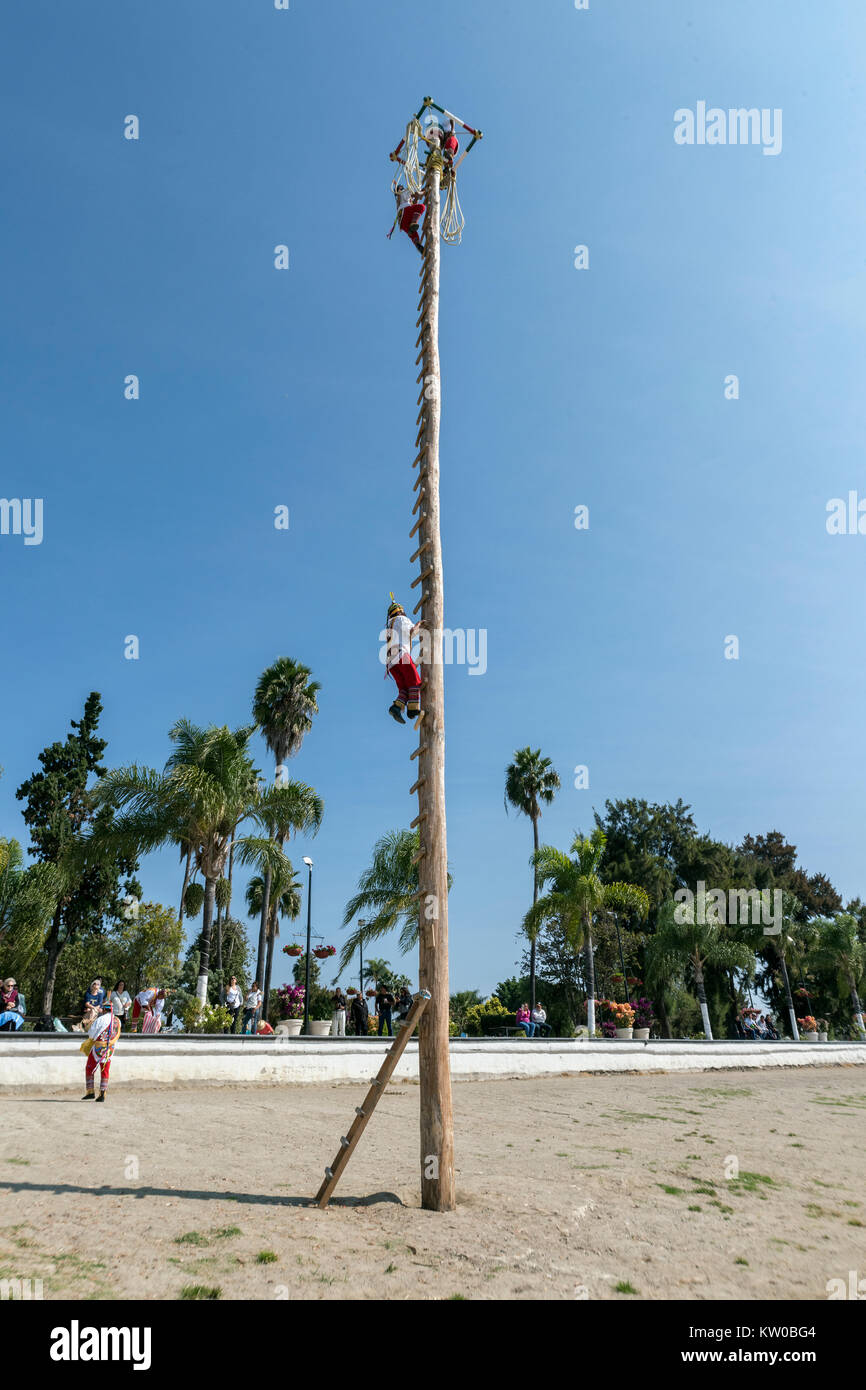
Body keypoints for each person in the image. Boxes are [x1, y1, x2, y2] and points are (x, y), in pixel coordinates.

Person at [385, 597, 422, 724]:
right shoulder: (402, 619)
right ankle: (413, 709)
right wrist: (420, 625)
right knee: (415, 682)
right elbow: (412, 632)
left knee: (404, 689)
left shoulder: (389, 625)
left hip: (391, 663)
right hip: (401, 655)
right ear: (400, 611)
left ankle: (396, 707)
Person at [81, 1008, 121, 1101]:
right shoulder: (117, 1020)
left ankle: (90, 1091)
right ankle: (102, 1093)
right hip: (110, 1048)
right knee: (105, 1070)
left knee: (90, 1067)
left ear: (104, 1010)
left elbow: (91, 1034)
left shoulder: (100, 1019)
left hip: (98, 1047)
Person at [390, 185, 425, 256]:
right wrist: (424, 191)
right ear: (399, 189)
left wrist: (419, 195)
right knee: (421, 207)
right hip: (406, 211)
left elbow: (413, 203)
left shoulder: (400, 199)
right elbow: (416, 194)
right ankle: (413, 223)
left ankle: (417, 244)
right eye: (401, 187)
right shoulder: (403, 192)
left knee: (414, 234)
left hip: (402, 222)